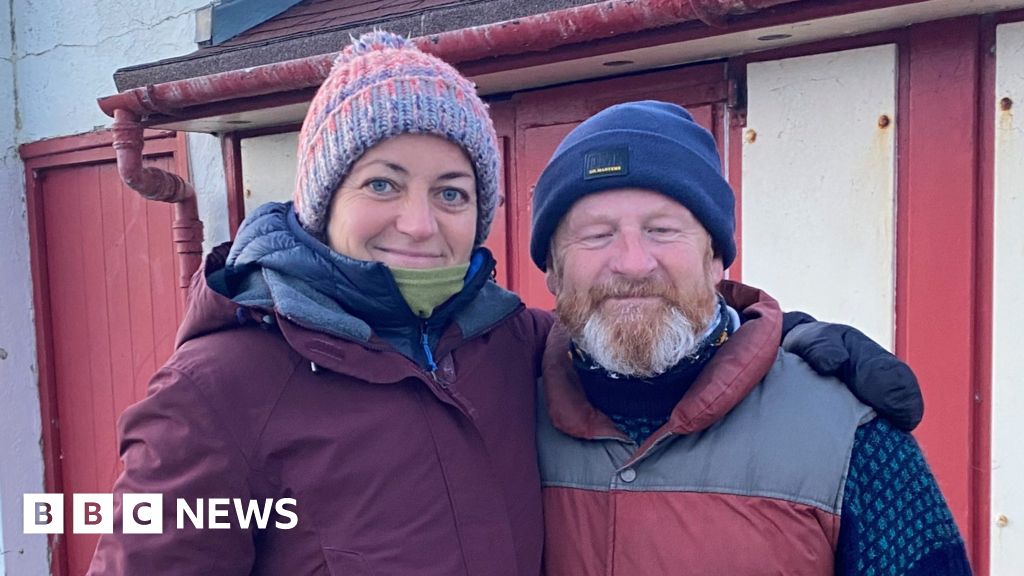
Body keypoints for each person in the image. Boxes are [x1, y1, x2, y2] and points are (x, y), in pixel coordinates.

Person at [90, 33, 922, 575]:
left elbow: (634, 326)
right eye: (382, 183)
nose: (419, 223)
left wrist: (781, 343)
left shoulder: (508, 347)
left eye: (451, 192)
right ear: (321, 199)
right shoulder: (220, 391)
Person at [529, 100, 971, 575]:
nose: (633, 263)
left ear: (716, 258)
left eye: (662, 230)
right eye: (596, 234)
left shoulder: (851, 436)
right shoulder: (508, 413)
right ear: (553, 268)